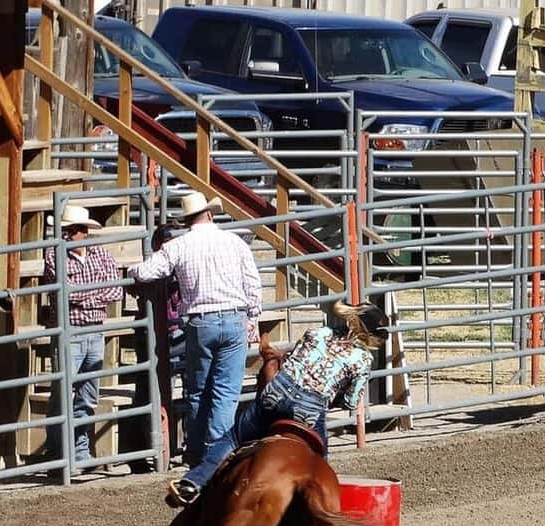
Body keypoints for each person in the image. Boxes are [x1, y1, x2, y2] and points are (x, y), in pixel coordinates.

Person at [168, 301, 386, 507]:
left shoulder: (319, 333)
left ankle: (193, 482)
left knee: (233, 438)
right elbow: (351, 401)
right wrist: (334, 394)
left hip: (277, 391)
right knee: (320, 463)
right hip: (310, 409)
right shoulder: (363, 359)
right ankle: (318, 509)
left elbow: (293, 360)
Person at [128, 191, 261, 477]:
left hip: (201, 321)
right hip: (234, 317)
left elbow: (147, 271)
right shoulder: (234, 241)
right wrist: (252, 317)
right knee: (226, 392)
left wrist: (131, 270)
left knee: (198, 389)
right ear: (210, 214)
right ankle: (217, 452)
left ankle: (198, 453)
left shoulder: (179, 246)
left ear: (187, 220)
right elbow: (252, 283)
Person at [41, 204, 124, 468]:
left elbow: (116, 291)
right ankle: (59, 455)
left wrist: (85, 296)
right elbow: (68, 292)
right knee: (63, 394)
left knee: (87, 395)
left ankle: (79, 453)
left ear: (84, 231)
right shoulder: (54, 255)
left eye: (74, 230)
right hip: (71, 332)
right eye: (66, 230)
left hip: (93, 331)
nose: (68, 234)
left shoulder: (100, 253)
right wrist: (97, 295)